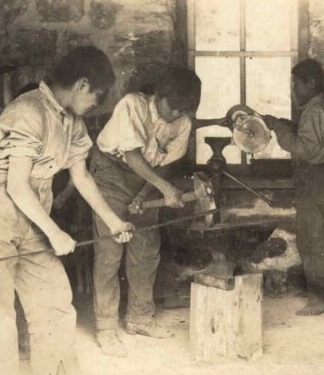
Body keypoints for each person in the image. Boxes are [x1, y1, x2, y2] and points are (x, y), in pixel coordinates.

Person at [0, 46, 134, 375]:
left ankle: (63, 374)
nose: (97, 105)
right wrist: (54, 232)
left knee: (54, 295)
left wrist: (113, 221)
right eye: (97, 96)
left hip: (31, 210)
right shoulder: (28, 112)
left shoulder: (71, 120)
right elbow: (15, 185)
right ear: (82, 84)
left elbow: (82, 178)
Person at [90, 66, 227, 357]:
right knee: (110, 251)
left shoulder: (183, 123)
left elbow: (163, 166)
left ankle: (139, 318)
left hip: (146, 179)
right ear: (159, 96)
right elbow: (131, 155)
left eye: (185, 110)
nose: (177, 114)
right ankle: (106, 327)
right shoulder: (133, 105)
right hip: (110, 174)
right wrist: (166, 189)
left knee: (146, 249)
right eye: (173, 107)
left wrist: (144, 196)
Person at [262, 59, 324, 316]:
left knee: (314, 239)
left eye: (296, 84)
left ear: (312, 83)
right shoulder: (314, 110)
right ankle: (315, 290)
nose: (293, 90)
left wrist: (281, 129)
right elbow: (308, 137)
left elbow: (305, 148)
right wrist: (279, 122)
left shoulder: (316, 111)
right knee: (308, 238)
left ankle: (321, 298)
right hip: (314, 181)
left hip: (316, 181)